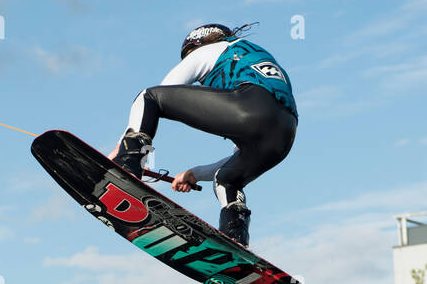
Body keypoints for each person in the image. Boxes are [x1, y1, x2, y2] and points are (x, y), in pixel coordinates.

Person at [109, 22, 297, 248]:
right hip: (285, 133)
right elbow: (233, 160)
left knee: (148, 97)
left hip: (248, 106)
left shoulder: (210, 50)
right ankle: (235, 237)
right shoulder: (255, 57)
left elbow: (165, 89)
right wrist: (194, 174)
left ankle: (127, 166)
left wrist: (122, 149)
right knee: (227, 178)